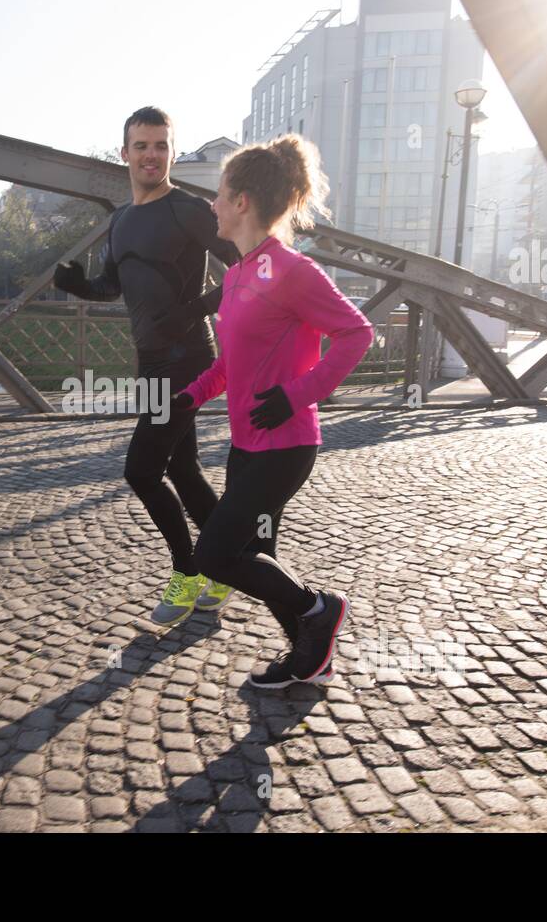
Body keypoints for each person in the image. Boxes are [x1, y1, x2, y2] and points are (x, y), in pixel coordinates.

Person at [174, 134, 374, 688]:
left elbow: (357, 334)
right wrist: (188, 398)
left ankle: (321, 611)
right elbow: (231, 366)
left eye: (218, 194)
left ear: (241, 202)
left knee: (214, 555)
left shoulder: (291, 270)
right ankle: (311, 656)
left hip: (286, 446)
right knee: (258, 553)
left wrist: (297, 394)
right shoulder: (237, 274)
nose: (211, 205)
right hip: (245, 444)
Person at [53, 106, 239, 627]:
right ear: (125, 154)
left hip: (189, 358)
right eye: (142, 146)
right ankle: (228, 563)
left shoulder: (190, 209)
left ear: (172, 151)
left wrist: (195, 309)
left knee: (141, 469)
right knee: (181, 467)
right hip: (151, 362)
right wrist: (78, 287)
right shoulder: (121, 219)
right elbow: (113, 286)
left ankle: (189, 571)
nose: (151, 155)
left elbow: (246, 265)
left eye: (161, 145)